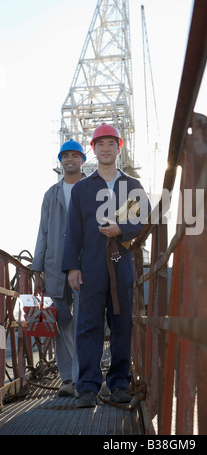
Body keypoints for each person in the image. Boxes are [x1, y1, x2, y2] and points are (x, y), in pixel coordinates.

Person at [62, 123, 150, 408]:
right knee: (88, 325)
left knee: (122, 323)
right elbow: (73, 231)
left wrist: (120, 229)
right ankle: (87, 388)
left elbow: (143, 221)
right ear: (94, 149)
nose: (105, 148)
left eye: (111, 143)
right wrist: (72, 268)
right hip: (90, 265)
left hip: (121, 262)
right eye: (100, 144)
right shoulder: (83, 189)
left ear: (118, 148)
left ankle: (119, 383)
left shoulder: (132, 186)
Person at [31, 139, 86, 396]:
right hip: (54, 266)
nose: (70, 160)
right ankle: (68, 379)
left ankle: (84, 376)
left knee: (85, 320)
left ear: (83, 160)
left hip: (84, 265)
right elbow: (42, 232)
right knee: (62, 320)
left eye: (75, 155)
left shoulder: (91, 189)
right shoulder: (50, 195)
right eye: (65, 156)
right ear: (60, 161)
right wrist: (36, 269)